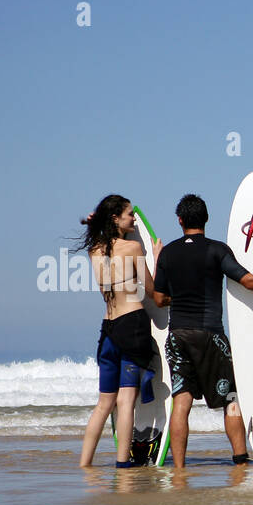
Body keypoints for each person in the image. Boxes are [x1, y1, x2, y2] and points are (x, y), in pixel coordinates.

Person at [151, 194, 253, 468]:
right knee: (230, 398)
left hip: (178, 335)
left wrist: (173, 282)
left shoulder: (167, 253)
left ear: (180, 221)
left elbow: (158, 299)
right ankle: (239, 459)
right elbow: (248, 281)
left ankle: (179, 469)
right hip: (210, 334)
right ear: (206, 218)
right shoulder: (217, 250)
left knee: (182, 402)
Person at [76, 194, 162, 468]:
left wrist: (95, 220)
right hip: (132, 324)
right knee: (126, 401)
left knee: (104, 404)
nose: (134, 218)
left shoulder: (95, 250)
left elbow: (91, 226)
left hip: (108, 330)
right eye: (129, 214)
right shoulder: (134, 248)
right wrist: (156, 258)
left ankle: (84, 465)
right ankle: (123, 465)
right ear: (115, 218)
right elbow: (152, 291)